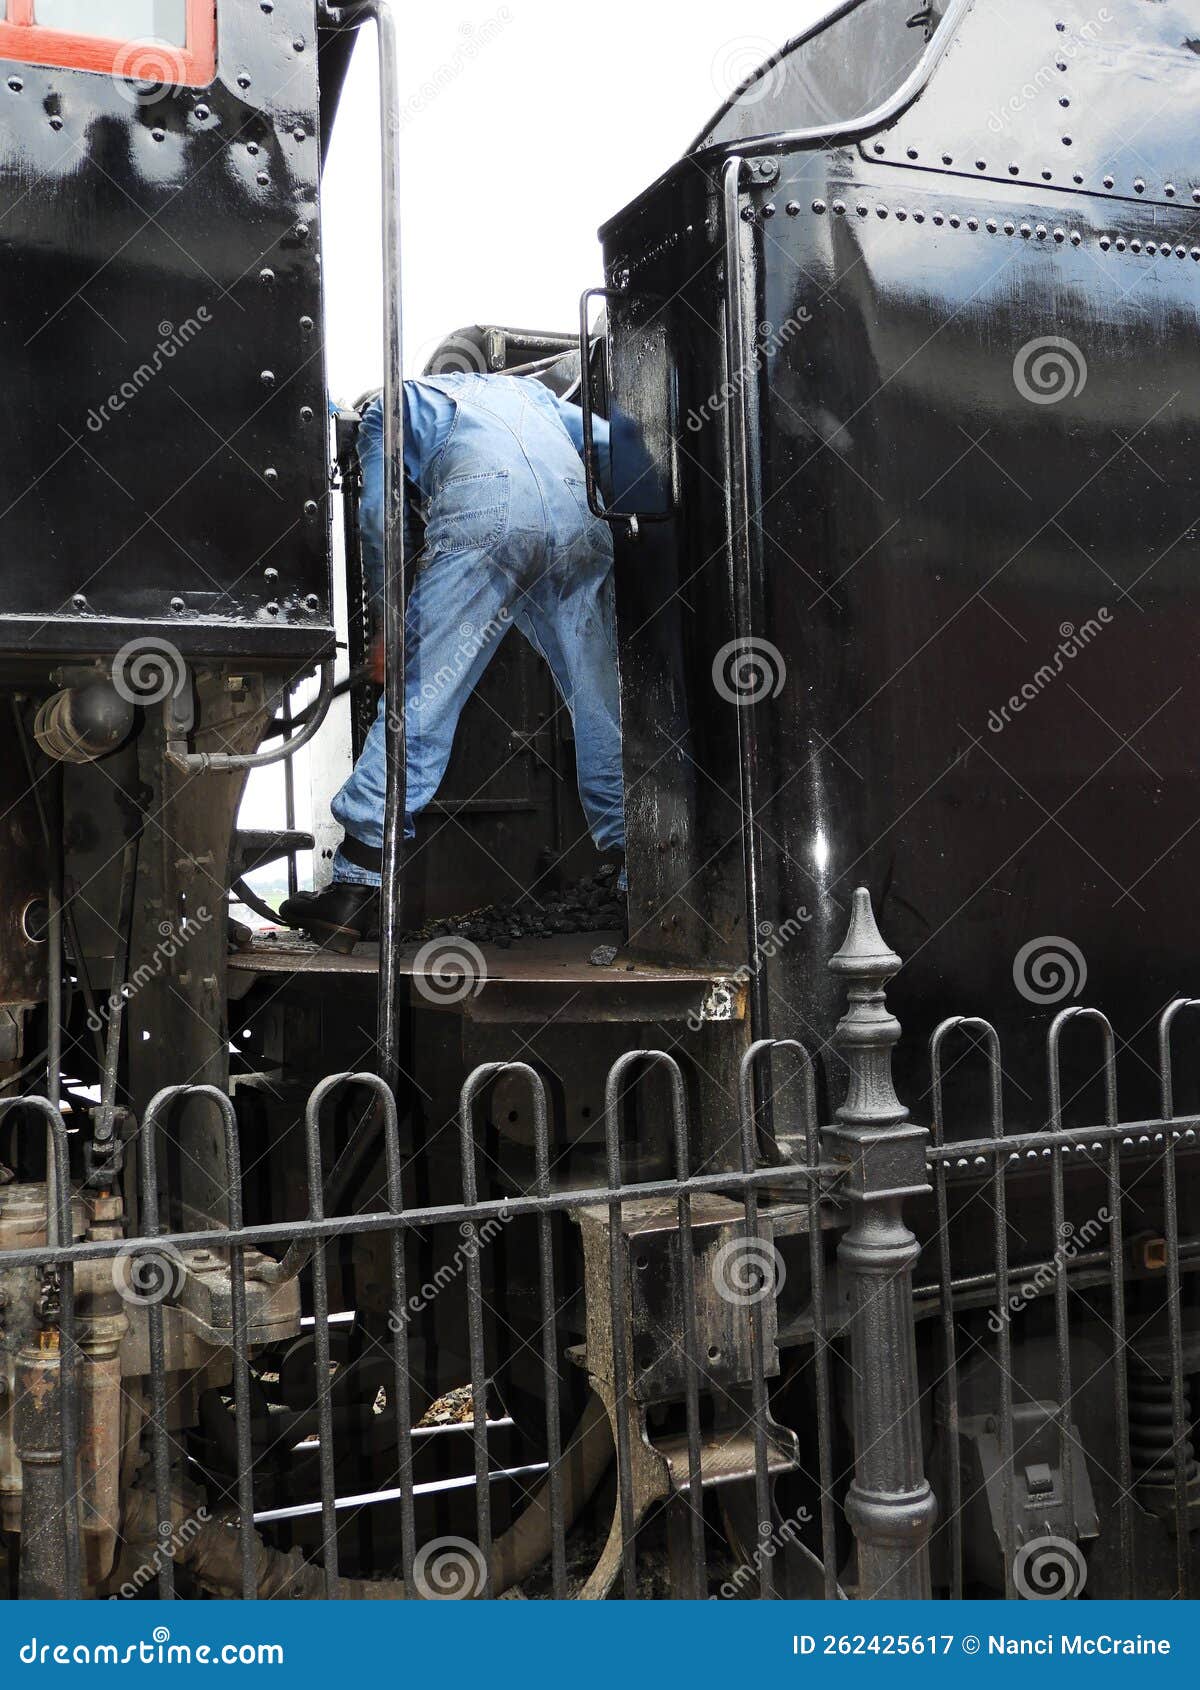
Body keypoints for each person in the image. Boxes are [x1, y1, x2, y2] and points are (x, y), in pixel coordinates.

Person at [280, 370, 625, 951]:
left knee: (422, 700)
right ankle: (633, 870)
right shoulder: (531, 395)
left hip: (483, 512)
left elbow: (380, 517)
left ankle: (355, 886)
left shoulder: (386, 405)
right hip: (579, 520)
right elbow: (612, 443)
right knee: (601, 703)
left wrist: (387, 624)